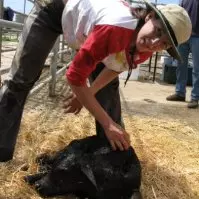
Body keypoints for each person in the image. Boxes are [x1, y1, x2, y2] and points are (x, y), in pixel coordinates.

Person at [0, 0, 191, 162]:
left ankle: (109, 163)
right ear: (149, 16)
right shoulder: (115, 27)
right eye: (157, 31)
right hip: (54, 8)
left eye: (164, 43)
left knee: (108, 91)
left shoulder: (145, 50)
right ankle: (2, 150)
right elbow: (74, 76)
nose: (154, 43)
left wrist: (86, 95)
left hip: (88, 27)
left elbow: (115, 68)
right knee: (21, 79)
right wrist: (107, 123)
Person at [166, 0, 199, 108]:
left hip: (197, 36)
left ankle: (195, 97)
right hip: (183, 35)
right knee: (180, 65)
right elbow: (179, 12)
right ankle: (180, 93)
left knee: (197, 69)